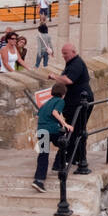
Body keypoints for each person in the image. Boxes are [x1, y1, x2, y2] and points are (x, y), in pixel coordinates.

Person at [46, 43, 92, 174]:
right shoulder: (72, 63)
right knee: (75, 130)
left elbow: (68, 80)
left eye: (65, 53)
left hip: (79, 103)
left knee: (75, 130)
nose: (63, 56)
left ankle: (68, 160)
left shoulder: (76, 63)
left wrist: (55, 77)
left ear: (73, 51)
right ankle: (74, 158)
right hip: (73, 104)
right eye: (62, 53)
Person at [32, 82, 71, 192]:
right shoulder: (60, 101)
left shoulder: (46, 102)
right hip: (52, 130)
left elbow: (38, 115)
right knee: (66, 142)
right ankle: (58, 164)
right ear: (63, 94)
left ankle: (39, 180)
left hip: (41, 130)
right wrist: (65, 124)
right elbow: (55, 113)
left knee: (43, 154)